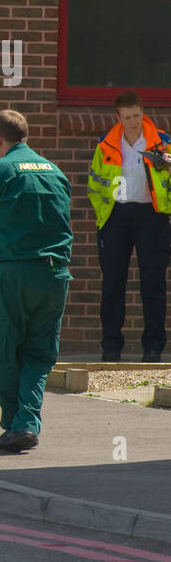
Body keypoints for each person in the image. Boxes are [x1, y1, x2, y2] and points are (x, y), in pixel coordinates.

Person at [0, 111, 72, 454]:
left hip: (13, 273)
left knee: (1, 352)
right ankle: (26, 422)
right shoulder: (56, 172)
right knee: (39, 353)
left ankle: (15, 423)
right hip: (55, 273)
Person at [86, 91, 171, 362]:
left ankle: (154, 347)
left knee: (153, 283)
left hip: (152, 216)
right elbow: (95, 183)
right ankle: (111, 347)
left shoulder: (162, 143)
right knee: (112, 283)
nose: (133, 121)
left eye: (137, 115)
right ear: (118, 118)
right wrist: (104, 215)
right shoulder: (106, 145)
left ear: (142, 112)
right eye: (127, 117)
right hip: (117, 216)